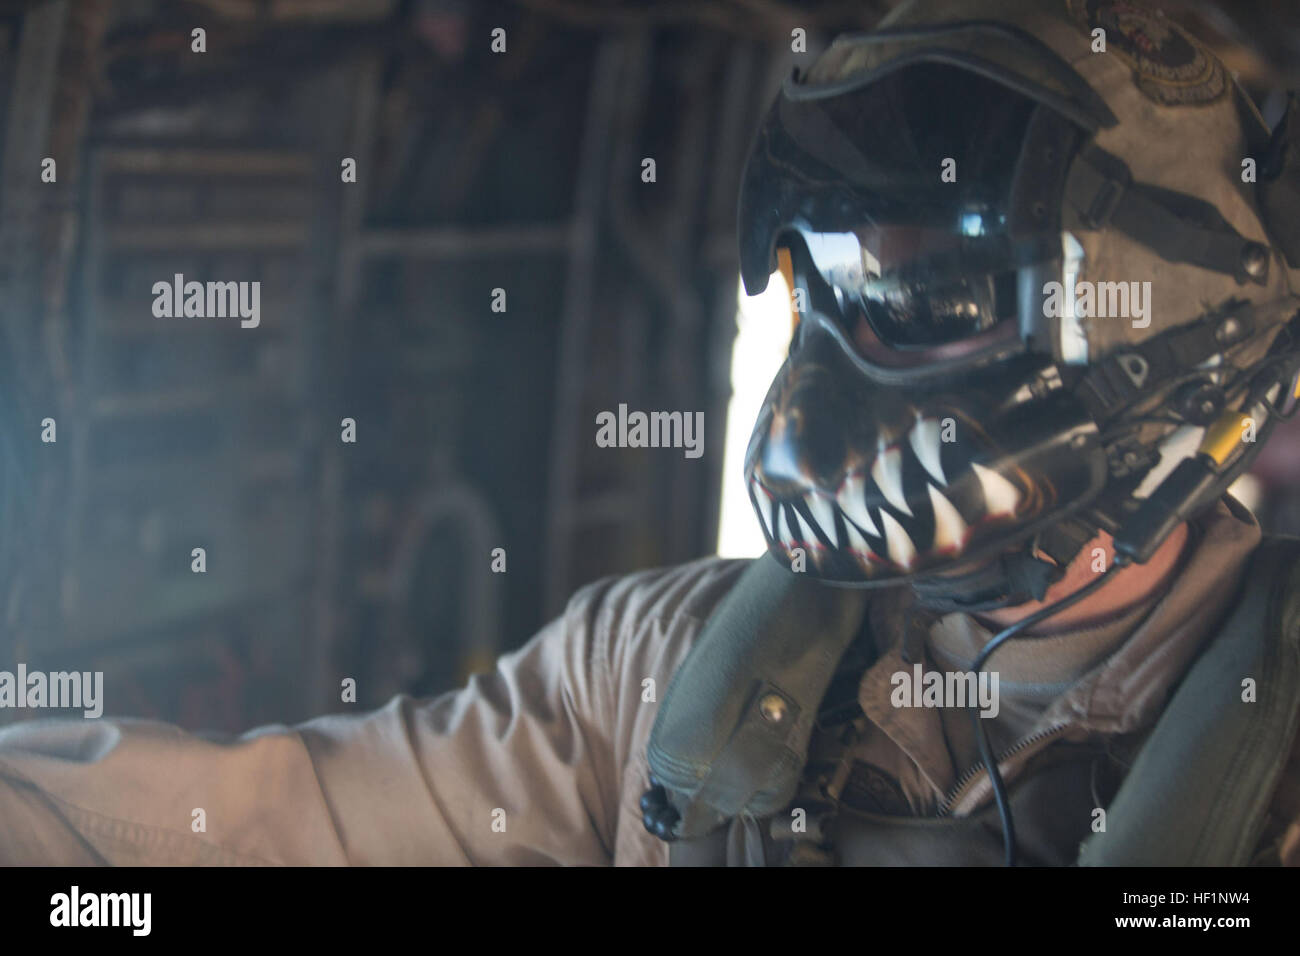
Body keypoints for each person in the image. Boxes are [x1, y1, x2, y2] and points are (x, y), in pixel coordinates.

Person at [3, 0, 1300, 867]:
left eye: (928, 304)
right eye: (827, 295)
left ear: (1165, 338)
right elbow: (268, 828)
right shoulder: (664, 663)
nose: (837, 381)